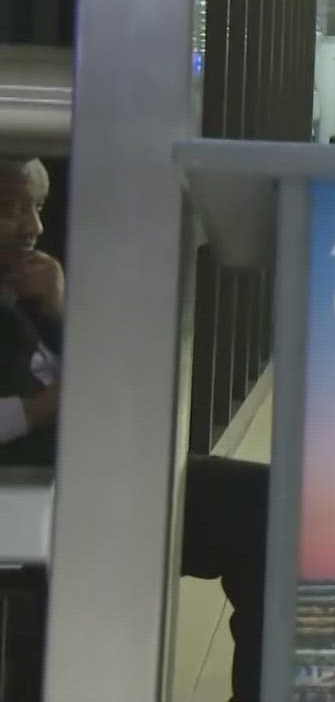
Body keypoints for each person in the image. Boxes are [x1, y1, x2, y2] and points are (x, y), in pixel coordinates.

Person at [0, 158, 267, 702]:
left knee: (267, 508)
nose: (34, 228)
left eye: (38, 208)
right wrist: (56, 402)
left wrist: (59, 312)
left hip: (91, 473)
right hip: (34, 489)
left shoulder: (29, 288)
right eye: (11, 210)